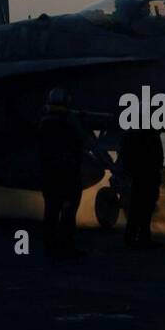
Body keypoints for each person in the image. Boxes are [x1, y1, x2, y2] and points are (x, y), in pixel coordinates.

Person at [37, 87, 97, 258]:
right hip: (67, 177)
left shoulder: (44, 122)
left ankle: (50, 247)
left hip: (50, 177)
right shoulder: (69, 122)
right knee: (68, 213)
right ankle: (67, 247)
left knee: (51, 212)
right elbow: (82, 141)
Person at [118, 128, 164, 249]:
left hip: (143, 176)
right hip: (146, 176)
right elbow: (155, 157)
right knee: (143, 208)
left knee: (141, 208)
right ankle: (139, 237)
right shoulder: (148, 135)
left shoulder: (136, 134)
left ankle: (136, 237)